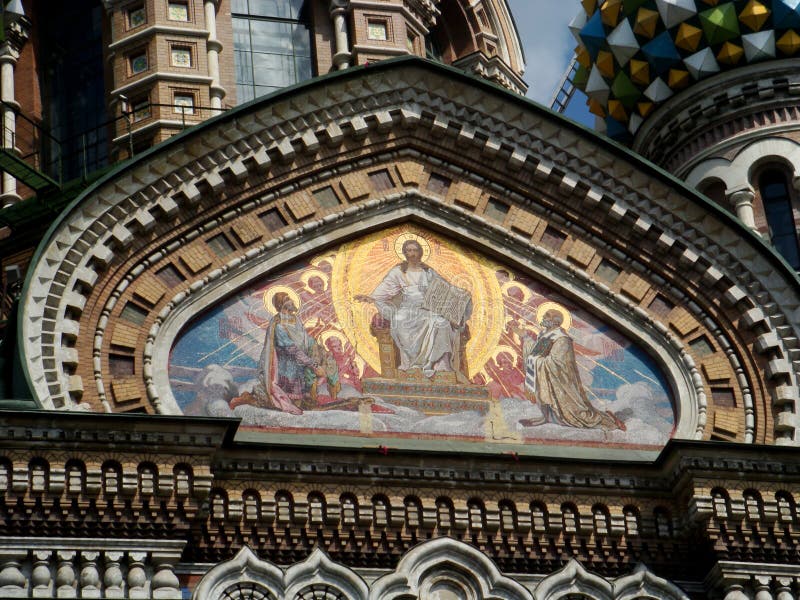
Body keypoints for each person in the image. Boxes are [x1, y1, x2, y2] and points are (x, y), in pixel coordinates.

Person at [354, 239, 471, 378]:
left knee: (442, 323)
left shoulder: (428, 271)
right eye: (409, 250)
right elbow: (384, 290)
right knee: (399, 320)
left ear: (420, 253)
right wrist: (371, 298)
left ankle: (441, 365)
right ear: (404, 253)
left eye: (415, 250)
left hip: (428, 309)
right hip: (407, 309)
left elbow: (444, 289)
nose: (412, 254)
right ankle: (412, 365)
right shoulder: (398, 271)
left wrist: (460, 296)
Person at [512, 309, 625, 430]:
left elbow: (557, 362)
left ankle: (609, 420)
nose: (543, 317)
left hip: (561, 383)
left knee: (577, 415)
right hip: (549, 377)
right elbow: (536, 353)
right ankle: (550, 417)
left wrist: (537, 361)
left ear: (555, 322)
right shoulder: (545, 336)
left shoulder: (562, 339)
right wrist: (525, 336)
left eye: (547, 316)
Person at [240, 291, 338, 414]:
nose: (291, 301)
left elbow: (305, 339)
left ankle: (326, 396)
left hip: (302, 363)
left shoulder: (295, 319)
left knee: (325, 368)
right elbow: (292, 349)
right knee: (294, 400)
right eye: (287, 299)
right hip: (287, 368)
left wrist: (318, 350)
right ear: (281, 304)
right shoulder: (279, 325)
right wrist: (314, 365)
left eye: (290, 298)